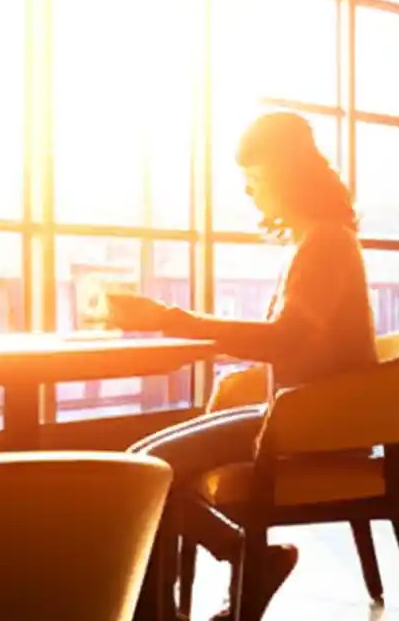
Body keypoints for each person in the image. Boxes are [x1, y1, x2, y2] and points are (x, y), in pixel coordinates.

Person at [110, 112, 378, 621]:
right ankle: (245, 561)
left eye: (255, 178)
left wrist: (170, 319)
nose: (250, 192)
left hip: (312, 422)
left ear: (285, 176)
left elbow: (285, 340)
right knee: (145, 465)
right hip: (300, 415)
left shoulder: (326, 244)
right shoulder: (319, 241)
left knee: (145, 471)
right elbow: (292, 342)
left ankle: (212, 579)